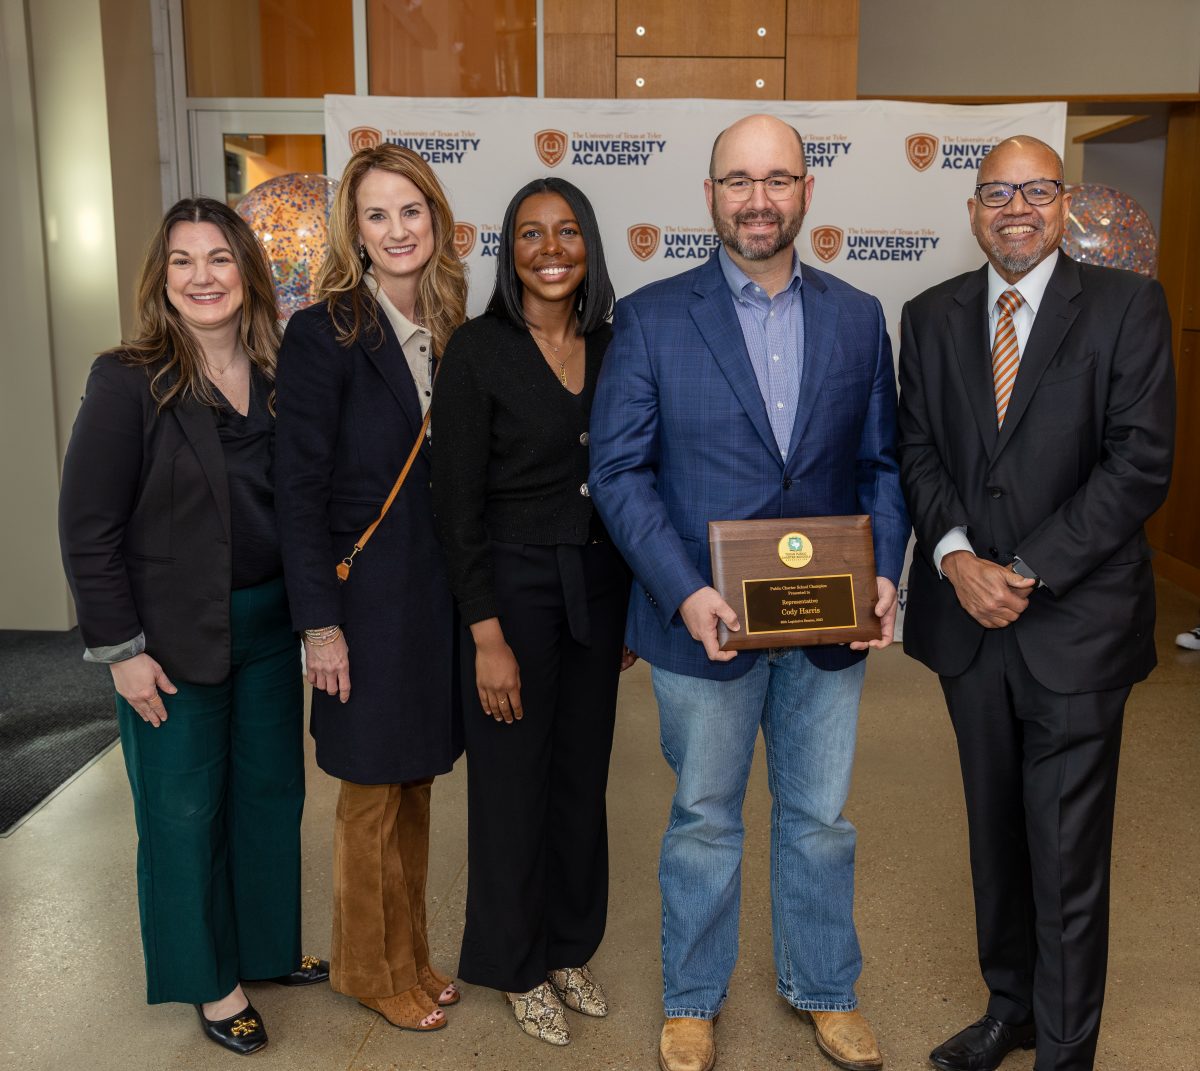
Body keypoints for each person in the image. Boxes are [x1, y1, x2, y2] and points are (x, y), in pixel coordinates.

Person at [589, 114, 909, 1071]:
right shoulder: (649, 317)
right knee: (703, 818)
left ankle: (825, 986)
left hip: (827, 631)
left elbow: (882, 465)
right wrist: (684, 591)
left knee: (819, 820)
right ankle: (691, 996)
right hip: (703, 629)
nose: (758, 199)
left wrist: (886, 569)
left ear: (808, 192)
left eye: (778, 179)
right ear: (710, 197)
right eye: (738, 180)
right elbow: (618, 472)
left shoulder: (859, 315)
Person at [897, 136, 1175, 1071]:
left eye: (1036, 191)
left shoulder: (1128, 307)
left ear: (1064, 204)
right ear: (972, 209)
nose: (1015, 208)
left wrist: (1022, 567)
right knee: (994, 835)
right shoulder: (929, 314)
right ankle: (1009, 1008)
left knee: (1066, 857)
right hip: (969, 626)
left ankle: (1064, 1051)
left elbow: (1139, 463)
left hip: (1075, 627)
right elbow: (918, 450)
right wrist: (955, 558)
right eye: (995, 193)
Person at [58, 197, 328, 1057]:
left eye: (219, 257)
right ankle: (211, 980)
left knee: (269, 796)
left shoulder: (281, 372)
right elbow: (87, 526)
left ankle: (263, 950)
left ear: (247, 270)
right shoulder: (128, 377)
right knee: (181, 813)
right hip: (169, 643)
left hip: (267, 627)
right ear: (162, 278)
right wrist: (122, 653)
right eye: (183, 260)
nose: (203, 276)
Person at [431, 177, 632, 1046]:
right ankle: (514, 963)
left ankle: (566, 945)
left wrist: (627, 609)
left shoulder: (617, 343)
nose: (551, 249)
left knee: (581, 778)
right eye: (529, 235)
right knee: (513, 783)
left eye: (567, 232)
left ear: (589, 242)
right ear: (507, 253)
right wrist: (485, 635)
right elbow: (456, 507)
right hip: (509, 593)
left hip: (599, 588)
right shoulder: (478, 350)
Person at [273, 144, 466, 1033]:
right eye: (378, 214)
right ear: (355, 229)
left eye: (412, 211)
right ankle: (364, 966)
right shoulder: (324, 331)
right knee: (368, 798)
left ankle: (410, 952)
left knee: (415, 785)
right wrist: (320, 625)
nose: (397, 230)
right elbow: (298, 492)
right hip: (360, 604)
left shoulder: (454, 320)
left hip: (433, 599)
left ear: (436, 218)